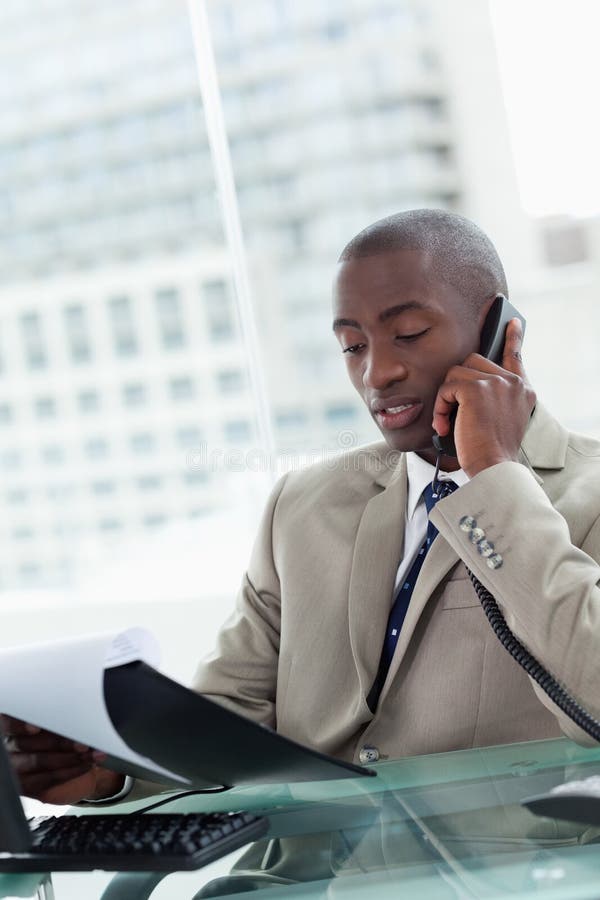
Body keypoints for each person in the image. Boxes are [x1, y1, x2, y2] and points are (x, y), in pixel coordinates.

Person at [4, 209, 600, 807]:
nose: (378, 372)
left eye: (410, 334)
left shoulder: (588, 493)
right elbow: (227, 716)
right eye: (352, 345)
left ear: (500, 330)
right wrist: (112, 772)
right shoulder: (303, 506)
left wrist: (493, 476)